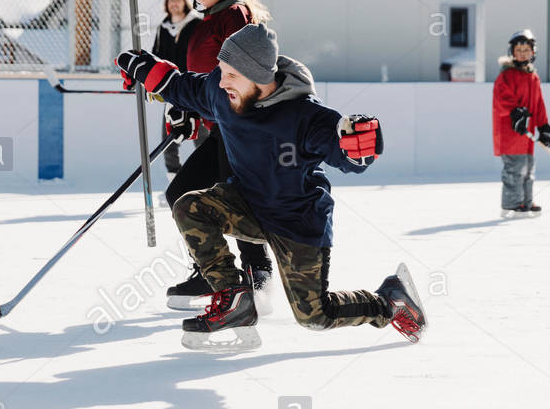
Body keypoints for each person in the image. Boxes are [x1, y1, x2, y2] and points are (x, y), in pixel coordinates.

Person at [116, 23, 426, 351]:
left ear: (258, 76)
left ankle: (390, 301)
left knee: (315, 316)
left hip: (298, 223)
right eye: (221, 71)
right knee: (189, 206)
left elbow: (346, 155)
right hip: (246, 205)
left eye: (231, 74)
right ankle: (234, 299)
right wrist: (146, 69)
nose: (222, 81)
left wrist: (359, 147)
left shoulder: (306, 117)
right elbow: (183, 87)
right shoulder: (222, 93)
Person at [163, 0, 278, 307]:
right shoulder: (203, 23)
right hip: (218, 130)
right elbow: (203, 81)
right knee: (182, 194)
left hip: (242, 130)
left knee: (235, 200)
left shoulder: (235, 16)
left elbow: (238, 76)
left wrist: (197, 102)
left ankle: (258, 276)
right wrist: (187, 109)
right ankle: (213, 272)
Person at [492, 29, 550, 219]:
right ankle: (511, 204)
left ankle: (526, 202)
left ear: (533, 52)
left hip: (527, 134)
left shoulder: (533, 77)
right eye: (519, 49)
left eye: (527, 49)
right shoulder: (506, 76)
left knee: (528, 168)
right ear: (512, 52)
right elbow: (501, 100)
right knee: (515, 169)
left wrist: (543, 126)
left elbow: (538, 104)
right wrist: (514, 112)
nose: (522, 53)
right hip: (510, 132)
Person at [151, 0, 202, 174]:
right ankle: (174, 178)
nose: (174, 3)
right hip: (172, 89)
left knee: (201, 136)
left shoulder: (197, 24)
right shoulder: (162, 28)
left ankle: (204, 179)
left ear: (186, 0)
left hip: (195, 87)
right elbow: (156, 56)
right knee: (169, 138)